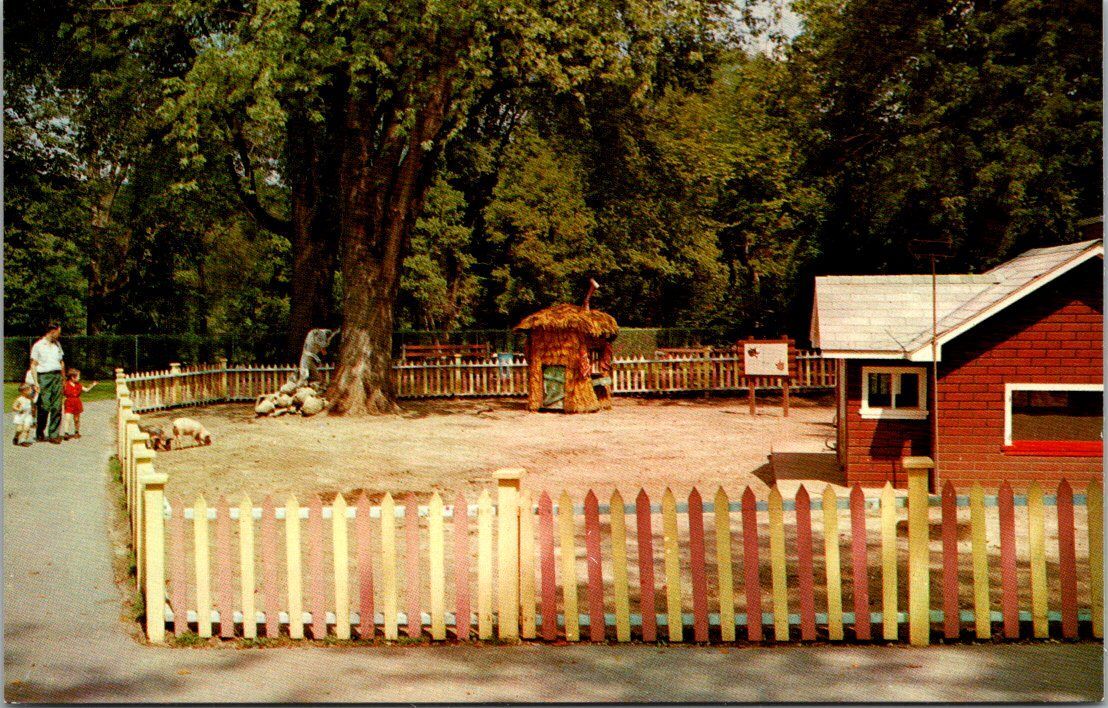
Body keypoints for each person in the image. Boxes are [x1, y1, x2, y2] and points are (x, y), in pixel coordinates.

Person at [30, 323, 65, 444]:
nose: (59, 335)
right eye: (59, 332)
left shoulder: (57, 345)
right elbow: (33, 365)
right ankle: (40, 430)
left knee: (57, 406)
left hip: (57, 377)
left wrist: (63, 379)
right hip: (44, 377)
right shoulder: (38, 345)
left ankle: (53, 434)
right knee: (44, 406)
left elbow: (61, 362)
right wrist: (36, 382)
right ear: (52, 331)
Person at [62, 369, 97, 440]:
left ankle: (76, 431)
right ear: (72, 377)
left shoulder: (79, 385)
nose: (79, 378)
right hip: (69, 403)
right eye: (78, 376)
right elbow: (62, 392)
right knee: (67, 418)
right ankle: (66, 433)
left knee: (76, 419)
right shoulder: (66, 385)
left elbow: (86, 390)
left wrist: (92, 385)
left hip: (77, 403)